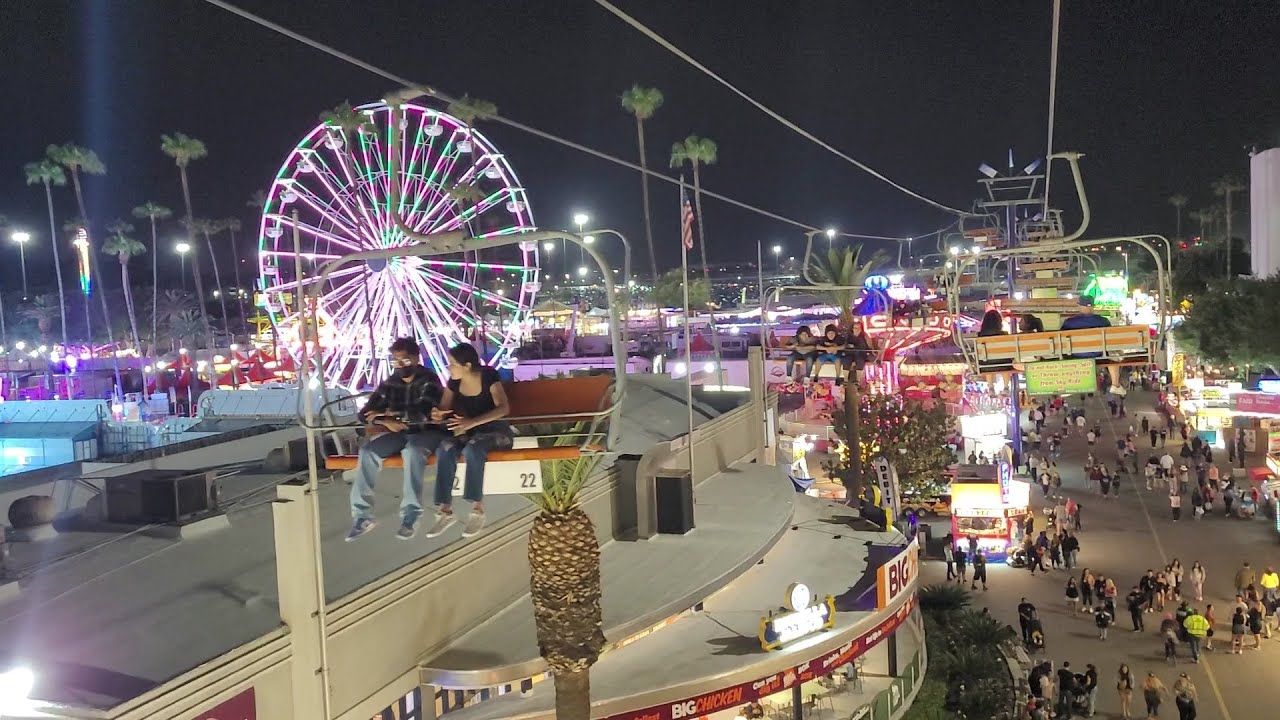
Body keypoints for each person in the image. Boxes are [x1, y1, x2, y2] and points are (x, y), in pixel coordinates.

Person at [346, 337, 448, 541]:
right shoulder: (391, 383)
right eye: (396, 361)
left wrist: (389, 415)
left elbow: (423, 413)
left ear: (416, 358)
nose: (400, 365)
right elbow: (364, 414)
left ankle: (411, 515)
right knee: (367, 452)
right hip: (400, 433)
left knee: (412, 452)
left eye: (405, 360)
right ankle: (362, 515)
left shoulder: (430, 380)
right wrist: (385, 420)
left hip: (428, 432)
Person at [426, 343, 516, 539]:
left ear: (466, 366)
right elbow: (444, 408)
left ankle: (477, 509)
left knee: (472, 450)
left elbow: (503, 408)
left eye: (452, 364)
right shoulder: (454, 382)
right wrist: (438, 414)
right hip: (472, 432)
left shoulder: (488, 375)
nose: (449, 368)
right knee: (445, 448)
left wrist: (472, 422)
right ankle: (445, 509)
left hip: (497, 433)